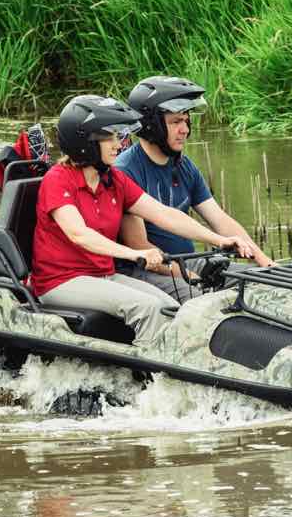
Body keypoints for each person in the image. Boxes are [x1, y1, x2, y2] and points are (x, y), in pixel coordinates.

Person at [30, 95, 255, 346]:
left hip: (103, 274)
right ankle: (155, 379)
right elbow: (79, 234)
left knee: (170, 307)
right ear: (85, 142)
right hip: (62, 281)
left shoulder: (113, 179)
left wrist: (221, 239)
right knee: (148, 308)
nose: (119, 144)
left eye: (118, 136)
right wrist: (136, 254)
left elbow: (164, 214)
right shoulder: (58, 179)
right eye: (110, 137)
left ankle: (173, 368)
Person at [115, 76, 274, 301]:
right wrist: (189, 277)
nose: (185, 130)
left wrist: (264, 261)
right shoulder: (126, 171)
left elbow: (220, 220)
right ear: (151, 126)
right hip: (149, 270)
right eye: (175, 122)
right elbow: (138, 244)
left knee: (264, 283)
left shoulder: (184, 165)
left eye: (186, 121)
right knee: (203, 302)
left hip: (190, 261)